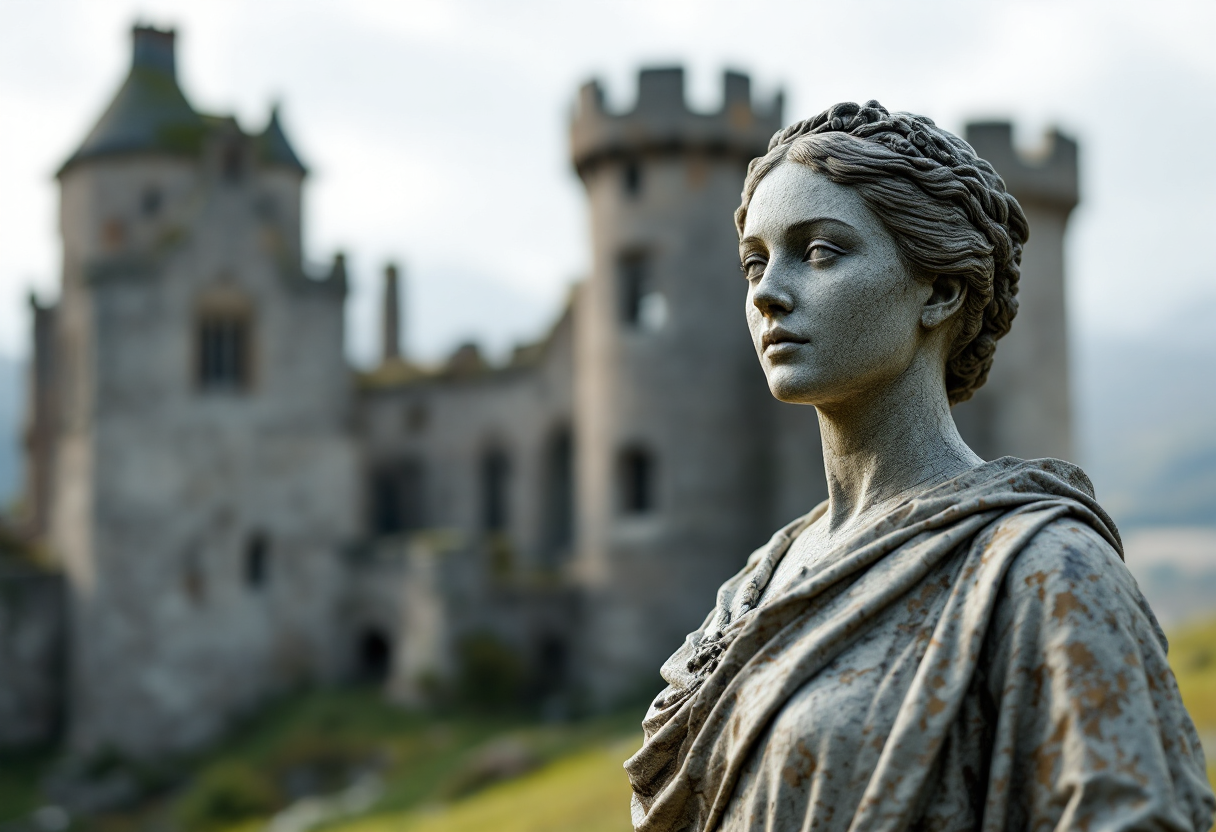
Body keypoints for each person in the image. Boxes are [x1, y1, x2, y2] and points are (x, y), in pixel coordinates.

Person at [625, 101, 1215, 832]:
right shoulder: (752, 587)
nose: (767, 292)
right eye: (755, 260)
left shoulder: (1043, 572)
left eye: (818, 253)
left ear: (939, 290)